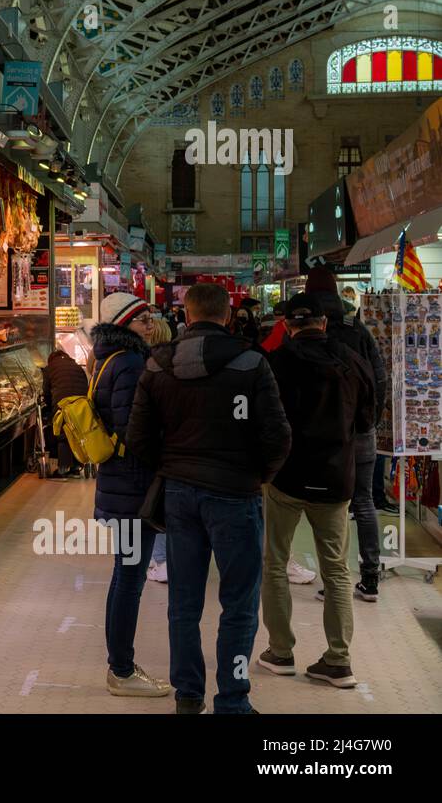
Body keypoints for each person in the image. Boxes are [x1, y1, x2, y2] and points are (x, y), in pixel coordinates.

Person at [126, 283, 292, 714]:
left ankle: (188, 695)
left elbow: (137, 437)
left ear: (186, 315)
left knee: (183, 602)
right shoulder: (252, 363)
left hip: (179, 495)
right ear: (228, 316)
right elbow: (278, 435)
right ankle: (233, 699)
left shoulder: (158, 365)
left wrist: (171, 465)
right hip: (236, 494)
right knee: (239, 603)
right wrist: (257, 475)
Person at [258, 293, 375, 688]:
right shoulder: (351, 361)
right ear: (323, 323)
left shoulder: (275, 363)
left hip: (286, 479)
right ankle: (338, 661)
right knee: (337, 569)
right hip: (336, 480)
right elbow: (367, 420)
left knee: (275, 562)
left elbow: (263, 422)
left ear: (287, 326)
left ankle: (280, 651)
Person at [89, 293, 167, 697]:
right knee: (129, 580)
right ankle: (121, 670)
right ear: (124, 325)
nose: (150, 325)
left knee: (125, 575)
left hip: (118, 485)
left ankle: (120, 665)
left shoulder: (107, 359)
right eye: (142, 319)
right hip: (133, 489)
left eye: (151, 317)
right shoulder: (132, 363)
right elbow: (133, 431)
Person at [305, 265, 388, 601]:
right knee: (364, 502)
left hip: (326, 434)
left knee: (330, 507)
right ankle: (370, 579)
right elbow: (380, 377)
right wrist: (370, 420)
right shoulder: (357, 328)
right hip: (361, 430)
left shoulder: (308, 329)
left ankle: (333, 580)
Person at [145, 317, 173, 584]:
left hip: (149, 449)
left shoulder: (142, 365)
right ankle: (163, 558)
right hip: (171, 448)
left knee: (150, 502)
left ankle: (159, 559)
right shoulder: (175, 365)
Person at [41, 348, 89, 477]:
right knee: (77, 433)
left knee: (63, 433)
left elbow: (46, 391)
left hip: (62, 403)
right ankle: (76, 466)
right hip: (80, 403)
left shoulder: (49, 368)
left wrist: (49, 406)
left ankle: (63, 468)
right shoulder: (77, 366)